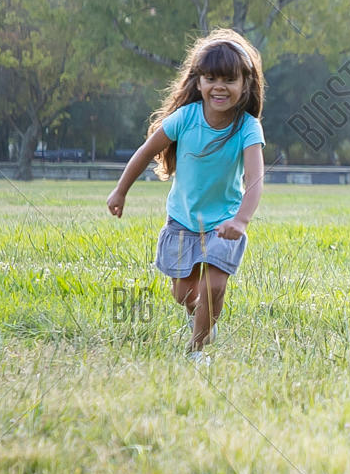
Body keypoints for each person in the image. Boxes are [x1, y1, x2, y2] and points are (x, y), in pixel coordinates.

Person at [107, 30, 266, 362]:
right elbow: (144, 152)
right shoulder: (185, 118)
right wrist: (120, 190)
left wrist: (241, 220)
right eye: (210, 78)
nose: (218, 86)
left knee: (214, 286)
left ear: (245, 85)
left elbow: (255, 180)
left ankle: (197, 348)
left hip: (224, 223)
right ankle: (203, 317)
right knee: (184, 295)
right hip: (182, 222)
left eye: (228, 79)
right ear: (198, 82)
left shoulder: (247, 127)